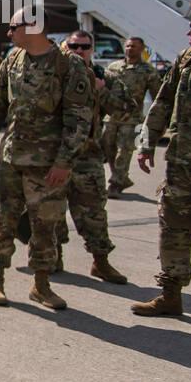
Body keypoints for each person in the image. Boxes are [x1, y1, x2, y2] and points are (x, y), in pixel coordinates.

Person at [0, 9, 93, 310]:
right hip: (11, 159)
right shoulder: (12, 59)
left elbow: (79, 120)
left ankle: (41, 284)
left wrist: (65, 162)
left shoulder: (69, 65)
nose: (9, 32)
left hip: (47, 166)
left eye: (13, 26)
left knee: (46, 227)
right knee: (1, 223)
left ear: (34, 27)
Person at [52, 32, 129, 282]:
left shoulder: (103, 77)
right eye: (73, 45)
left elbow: (129, 110)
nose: (79, 50)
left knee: (94, 213)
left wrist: (101, 92)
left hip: (88, 159)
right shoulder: (54, 76)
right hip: (55, 156)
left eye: (85, 46)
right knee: (51, 212)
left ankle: (101, 261)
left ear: (92, 49)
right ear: (65, 47)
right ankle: (53, 257)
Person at [131, 16, 191, 317]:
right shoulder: (187, 56)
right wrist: (147, 142)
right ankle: (171, 294)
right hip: (182, 162)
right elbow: (163, 102)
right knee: (173, 226)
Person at [102, 36, 163, 195]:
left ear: (142, 49)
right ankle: (121, 177)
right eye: (128, 46)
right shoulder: (114, 67)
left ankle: (115, 183)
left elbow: (158, 95)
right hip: (111, 117)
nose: (130, 49)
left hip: (132, 118)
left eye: (134, 46)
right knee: (108, 148)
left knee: (125, 151)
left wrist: (157, 120)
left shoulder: (148, 71)